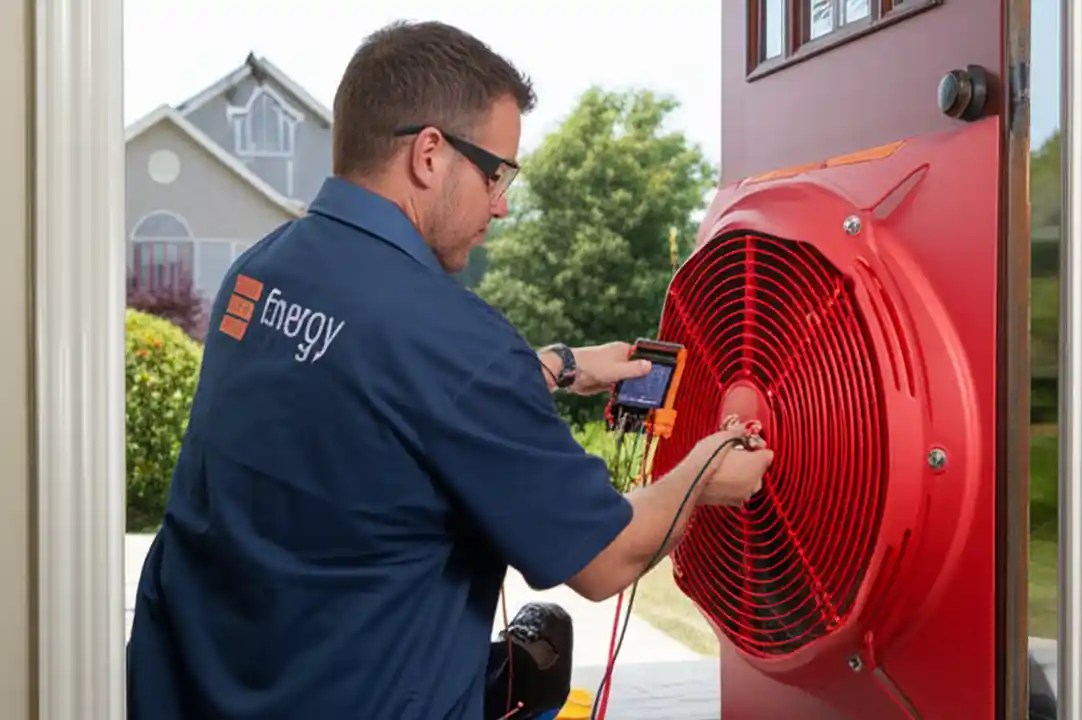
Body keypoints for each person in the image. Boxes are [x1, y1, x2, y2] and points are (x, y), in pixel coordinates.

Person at [125, 19, 774, 720]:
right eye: (498, 173)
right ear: (430, 154)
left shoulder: (260, 273)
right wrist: (704, 474)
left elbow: (366, 378)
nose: (500, 202)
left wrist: (556, 367)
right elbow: (607, 558)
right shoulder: (458, 345)